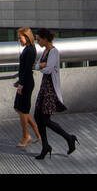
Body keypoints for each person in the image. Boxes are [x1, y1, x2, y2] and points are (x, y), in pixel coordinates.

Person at [33, 28, 77, 160]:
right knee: (37, 116)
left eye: (39, 39)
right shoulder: (45, 51)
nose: (38, 41)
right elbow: (37, 66)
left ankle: (69, 138)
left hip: (50, 90)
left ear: (45, 39)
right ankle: (45, 146)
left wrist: (42, 66)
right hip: (44, 88)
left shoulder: (54, 52)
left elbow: (48, 70)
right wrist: (42, 65)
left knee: (45, 119)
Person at [13, 27, 41, 148]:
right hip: (25, 81)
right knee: (19, 108)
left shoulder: (30, 51)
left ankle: (26, 136)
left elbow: (27, 69)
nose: (19, 40)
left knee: (22, 110)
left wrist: (21, 84)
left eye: (20, 38)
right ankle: (36, 130)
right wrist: (19, 82)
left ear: (27, 37)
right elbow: (24, 69)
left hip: (27, 83)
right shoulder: (28, 49)